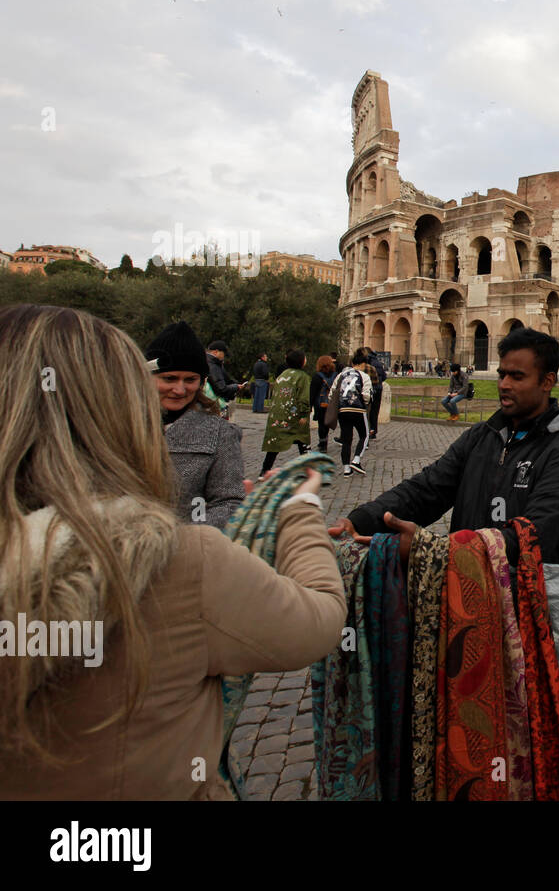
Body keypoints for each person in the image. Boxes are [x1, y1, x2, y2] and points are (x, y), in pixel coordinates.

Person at [0, 304, 343, 800]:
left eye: (190, 379)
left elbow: (225, 498)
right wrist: (299, 508)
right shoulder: (183, 565)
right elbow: (318, 621)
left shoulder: (215, 440)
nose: (176, 389)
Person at [329, 328, 559, 567]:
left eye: (517, 376)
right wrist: (360, 521)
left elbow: (535, 534)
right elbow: (425, 490)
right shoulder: (479, 437)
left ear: (547, 381)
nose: (504, 384)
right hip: (465, 592)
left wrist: (433, 550)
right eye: (502, 374)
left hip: (529, 599)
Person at [144, 320, 246, 528]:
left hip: (188, 551)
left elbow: (229, 502)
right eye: (170, 379)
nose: (180, 390)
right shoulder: (116, 425)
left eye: (190, 380)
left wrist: (190, 538)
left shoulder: (220, 433)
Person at [259, 349, 312, 479]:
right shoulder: (302, 376)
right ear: (301, 361)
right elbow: (304, 398)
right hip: (294, 415)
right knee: (302, 440)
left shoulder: (282, 375)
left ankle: (265, 470)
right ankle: (308, 469)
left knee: (275, 444)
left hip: (278, 415)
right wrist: (305, 413)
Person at [329, 350, 373, 477]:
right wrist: (363, 402)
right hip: (358, 409)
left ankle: (346, 469)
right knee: (364, 435)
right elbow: (366, 395)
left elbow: (332, 392)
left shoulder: (341, 375)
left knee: (346, 439)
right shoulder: (364, 376)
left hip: (343, 410)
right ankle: (356, 460)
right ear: (363, 364)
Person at [205, 340, 245, 419]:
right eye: (223, 353)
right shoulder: (213, 365)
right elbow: (221, 388)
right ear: (216, 352)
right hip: (214, 405)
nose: (224, 356)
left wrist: (234, 384)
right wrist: (236, 387)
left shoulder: (214, 363)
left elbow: (225, 379)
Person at [309, 354, 336, 453]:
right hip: (332, 403)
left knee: (321, 424)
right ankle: (324, 441)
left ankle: (323, 443)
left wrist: (310, 406)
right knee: (327, 423)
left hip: (320, 404)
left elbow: (313, 392)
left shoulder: (317, 377)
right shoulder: (335, 375)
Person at [364, 346, 387, 440]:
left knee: (369, 411)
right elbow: (384, 376)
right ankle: (373, 431)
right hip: (378, 388)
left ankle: (369, 431)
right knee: (374, 411)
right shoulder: (377, 362)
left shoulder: (369, 363)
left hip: (372, 389)